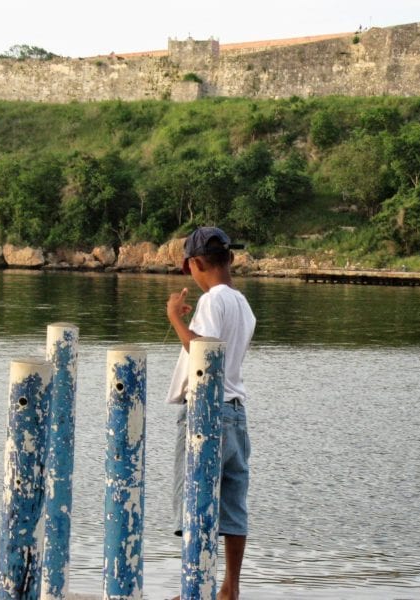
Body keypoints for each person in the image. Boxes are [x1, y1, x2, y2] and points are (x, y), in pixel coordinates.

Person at [165, 226, 256, 600]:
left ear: (196, 264)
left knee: (194, 498)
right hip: (236, 412)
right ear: (231, 258)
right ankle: (229, 589)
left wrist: (175, 318)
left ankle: (194, 587)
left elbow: (204, 351)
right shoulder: (242, 302)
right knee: (233, 504)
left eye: (189, 269)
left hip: (206, 411)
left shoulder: (212, 301)